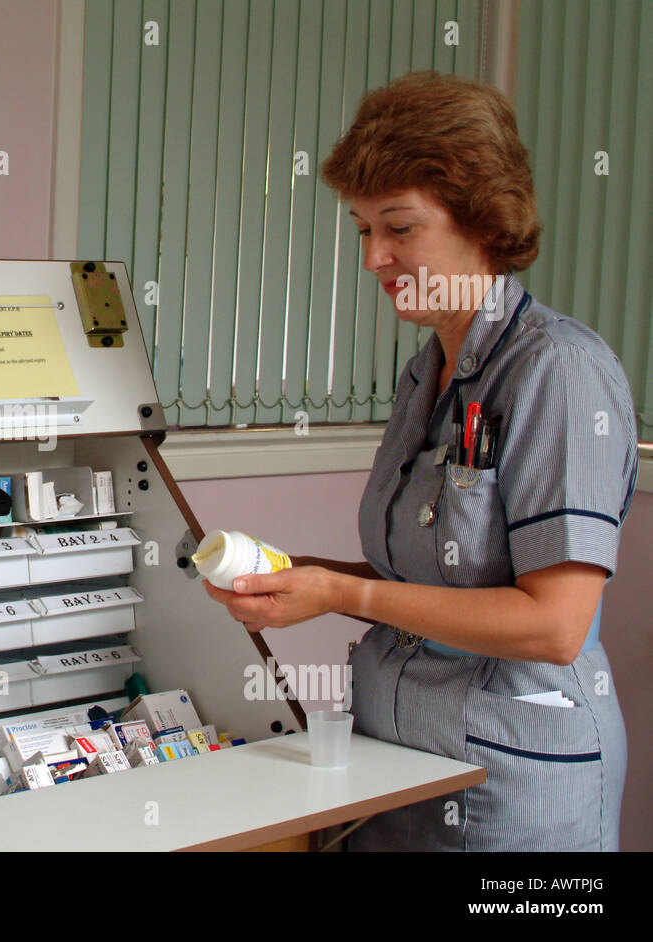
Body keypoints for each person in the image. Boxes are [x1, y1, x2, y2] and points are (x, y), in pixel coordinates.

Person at [204, 71, 637, 851]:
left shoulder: (558, 373)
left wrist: (342, 592)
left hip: (507, 791)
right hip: (397, 772)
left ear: (483, 220)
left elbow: (554, 626)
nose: (374, 257)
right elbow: (420, 584)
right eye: (362, 229)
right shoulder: (424, 374)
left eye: (398, 228)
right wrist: (299, 573)